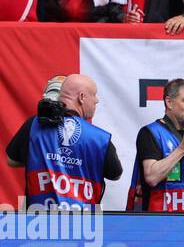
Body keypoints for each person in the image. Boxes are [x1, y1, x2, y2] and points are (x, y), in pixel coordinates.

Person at [5, 74, 122, 209]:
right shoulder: (100, 138)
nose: (97, 100)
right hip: (85, 226)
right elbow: (115, 174)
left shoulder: (34, 125)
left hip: (37, 224)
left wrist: (45, 159)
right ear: (82, 97)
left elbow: (11, 160)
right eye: (94, 95)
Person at [131, 77, 184, 212]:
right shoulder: (150, 133)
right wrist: (182, 149)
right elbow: (152, 177)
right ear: (169, 102)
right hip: (159, 222)